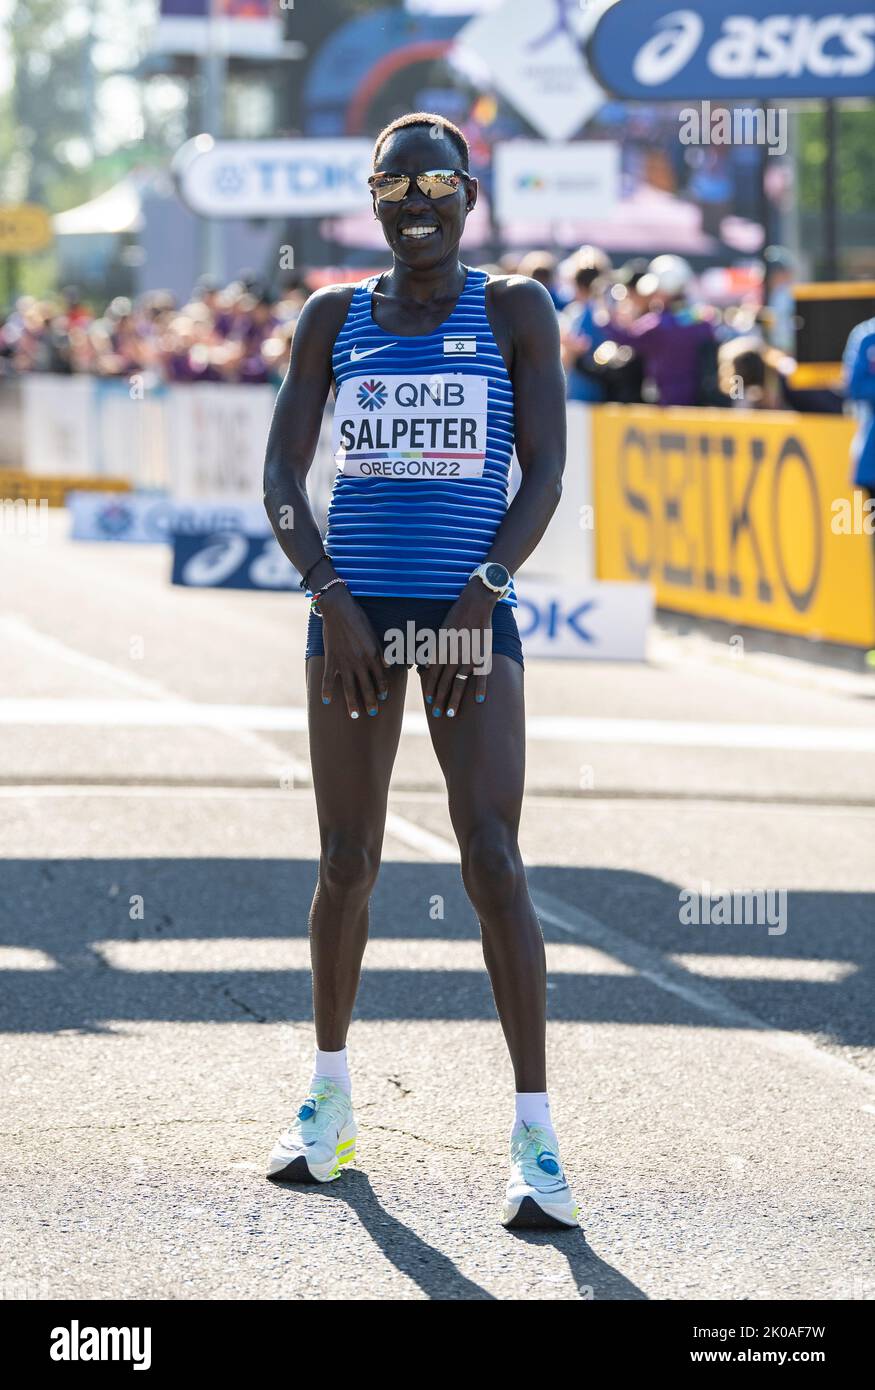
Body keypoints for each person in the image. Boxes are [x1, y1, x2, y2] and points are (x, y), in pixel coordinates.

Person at [262, 111, 579, 1231]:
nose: (413, 204)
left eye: (433, 184)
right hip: (351, 616)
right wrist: (326, 595)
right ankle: (328, 1101)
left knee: (490, 856)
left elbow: (542, 475)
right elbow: (283, 475)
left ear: (467, 199)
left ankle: (536, 1140)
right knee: (345, 857)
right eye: (391, 187)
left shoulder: (513, 309)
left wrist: (483, 591)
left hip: (463, 609)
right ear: (374, 203)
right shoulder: (332, 316)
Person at [608, 254, 717, 407]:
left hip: (667, 402)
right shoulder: (702, 319)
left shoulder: (657, 324)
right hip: (700, 402)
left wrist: (604, 319)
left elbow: (627, 337)